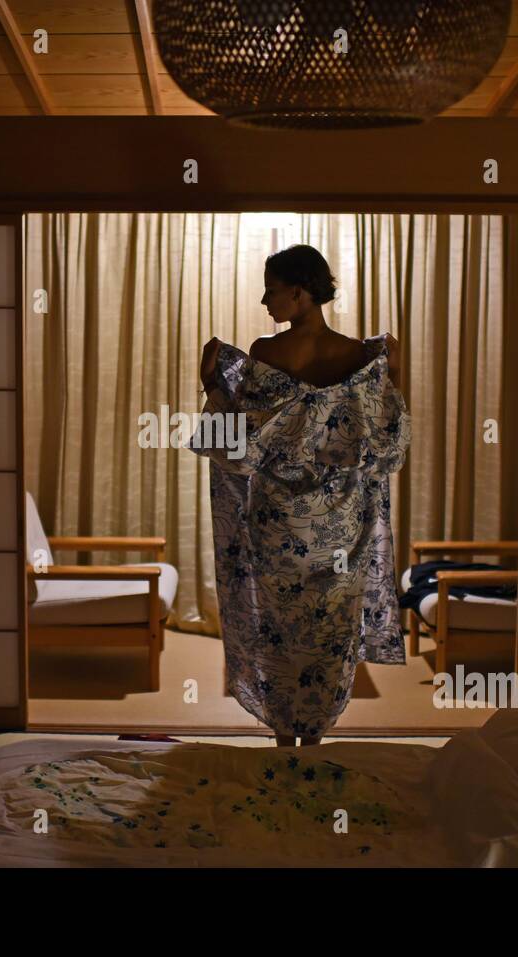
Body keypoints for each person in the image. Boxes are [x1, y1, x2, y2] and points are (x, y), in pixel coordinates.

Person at [190, 244, 410, 748]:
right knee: (330, 629)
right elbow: (389, 442)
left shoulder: (266, 353)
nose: (265, 303)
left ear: (298, 291)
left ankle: (285, 739)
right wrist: (393, 373)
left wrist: (211, 382)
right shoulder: (361, 356)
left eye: (270, 291)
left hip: (276, 520)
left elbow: (239, 445)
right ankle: (313, 737)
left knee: (280, 629)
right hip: (342, 523)